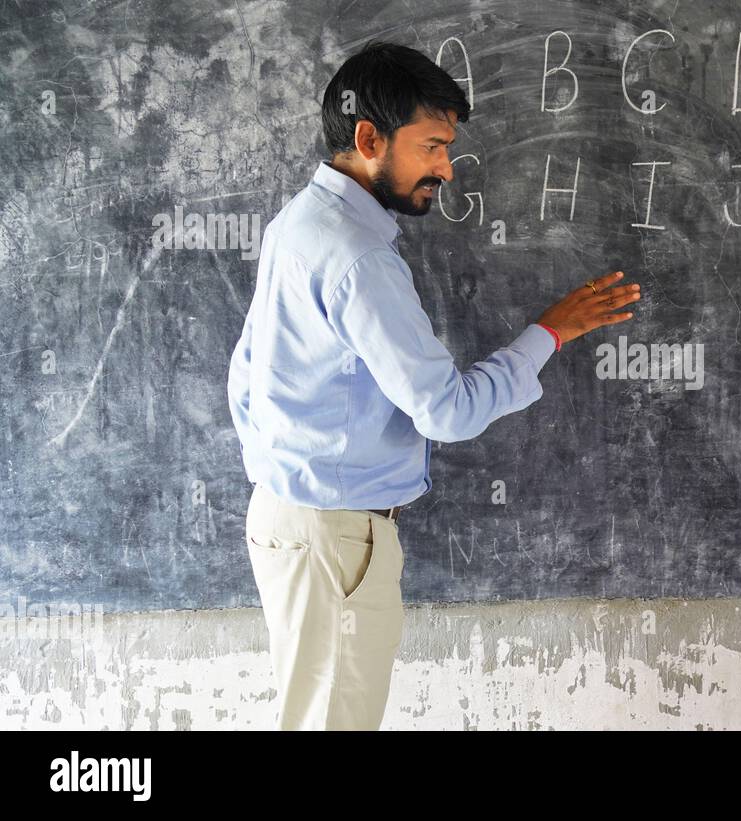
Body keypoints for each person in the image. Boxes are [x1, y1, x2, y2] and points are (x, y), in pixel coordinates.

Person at [226, 40, 640, 730]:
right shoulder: (358, 258)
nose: (446, 166)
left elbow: (246, 375)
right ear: (369, 138)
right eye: (432, 146)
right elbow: (445, 411)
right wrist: (551, 332)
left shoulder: (298, 223)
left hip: (294, 518)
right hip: (332, 541)